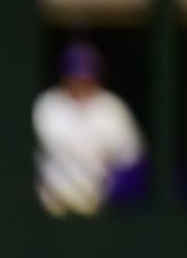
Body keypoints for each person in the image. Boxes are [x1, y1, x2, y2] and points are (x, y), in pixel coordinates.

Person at [33, 40, 148, 217]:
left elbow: (131, 158)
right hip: (51, 204)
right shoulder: (46, 106)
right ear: (64, 76)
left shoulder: (112, 108)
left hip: (98, 204)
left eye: (86, 77)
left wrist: (111, 193)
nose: (81, 83)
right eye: (75, 77)